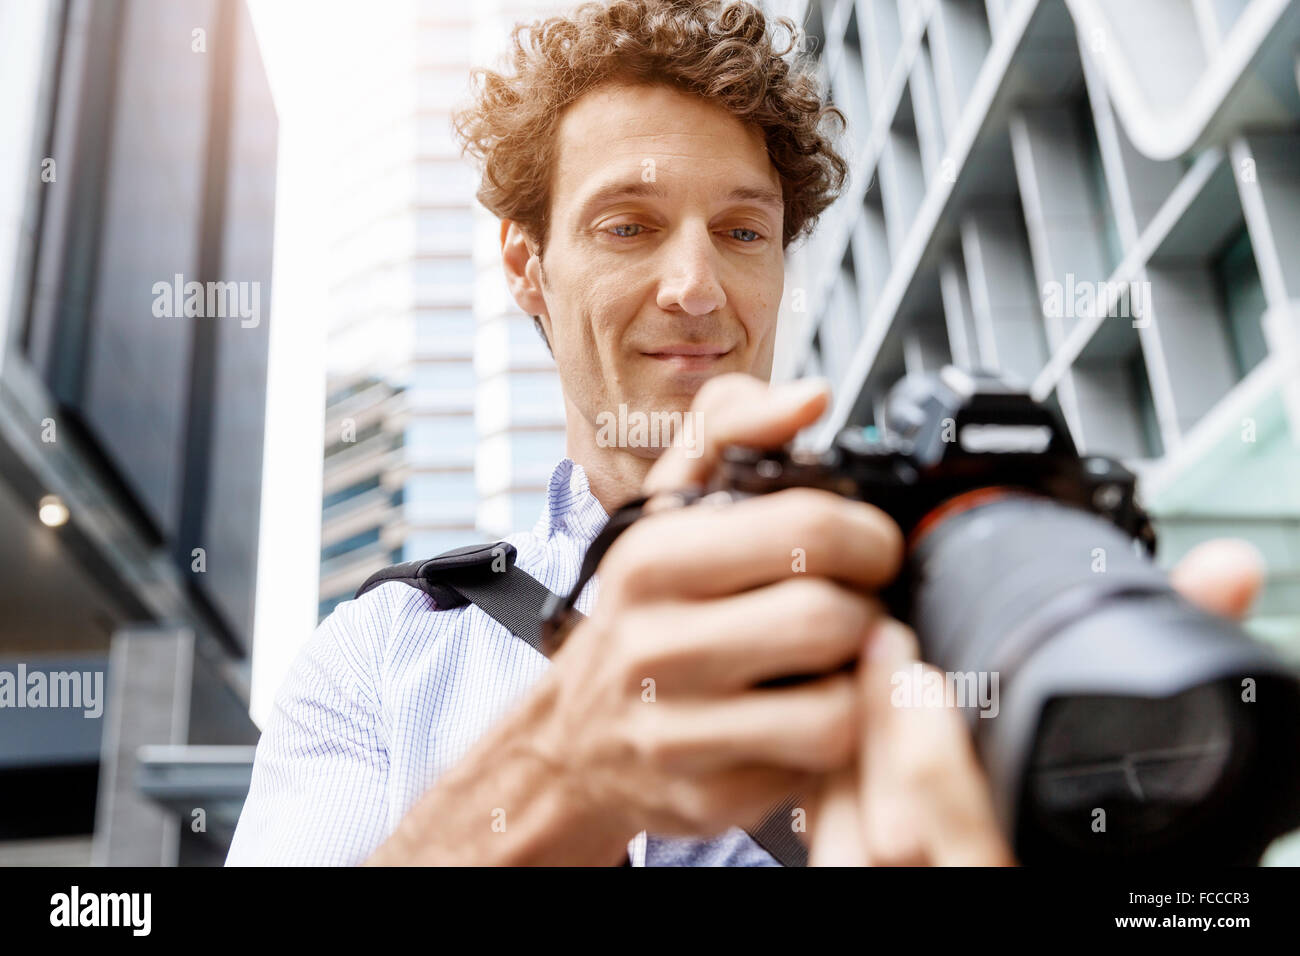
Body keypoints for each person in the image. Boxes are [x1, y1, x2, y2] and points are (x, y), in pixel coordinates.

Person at [226, 0, 1264, 866]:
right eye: (626, 224)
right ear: (525, 264)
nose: (695, 288)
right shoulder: (383, 656)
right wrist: (559, 773)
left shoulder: (959, 591)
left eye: (741, 232)